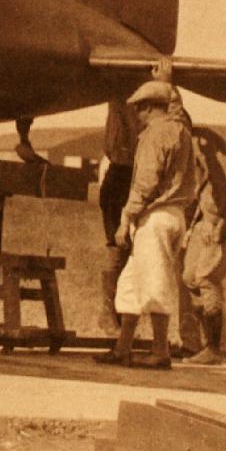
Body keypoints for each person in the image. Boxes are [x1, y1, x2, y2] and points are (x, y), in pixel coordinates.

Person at [100, 79, 201, 370]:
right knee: (131, 283)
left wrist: (125, 220)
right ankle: (123, 348)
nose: (137, 115)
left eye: (140, 109)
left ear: (149, 108)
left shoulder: (153, 136)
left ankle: (160, 352)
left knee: (155, 285)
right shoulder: (180, 130)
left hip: (154, 218)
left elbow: (144, 183)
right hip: (175, 216)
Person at [179, 122, 226, 364]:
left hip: (223, 219)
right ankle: (207, 343)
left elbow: (221, 183)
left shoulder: (201, 143)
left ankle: (214, 348)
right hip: (207, 218)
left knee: (205, 278)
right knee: (190, 277)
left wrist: (215, 221)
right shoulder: (194, 139)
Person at [92, 97, 137, 333]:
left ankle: (116, 314)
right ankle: (110, 313)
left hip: (126, 172)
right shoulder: (121, 102)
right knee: (119, 248)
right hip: (121, 174)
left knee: (125, 250)